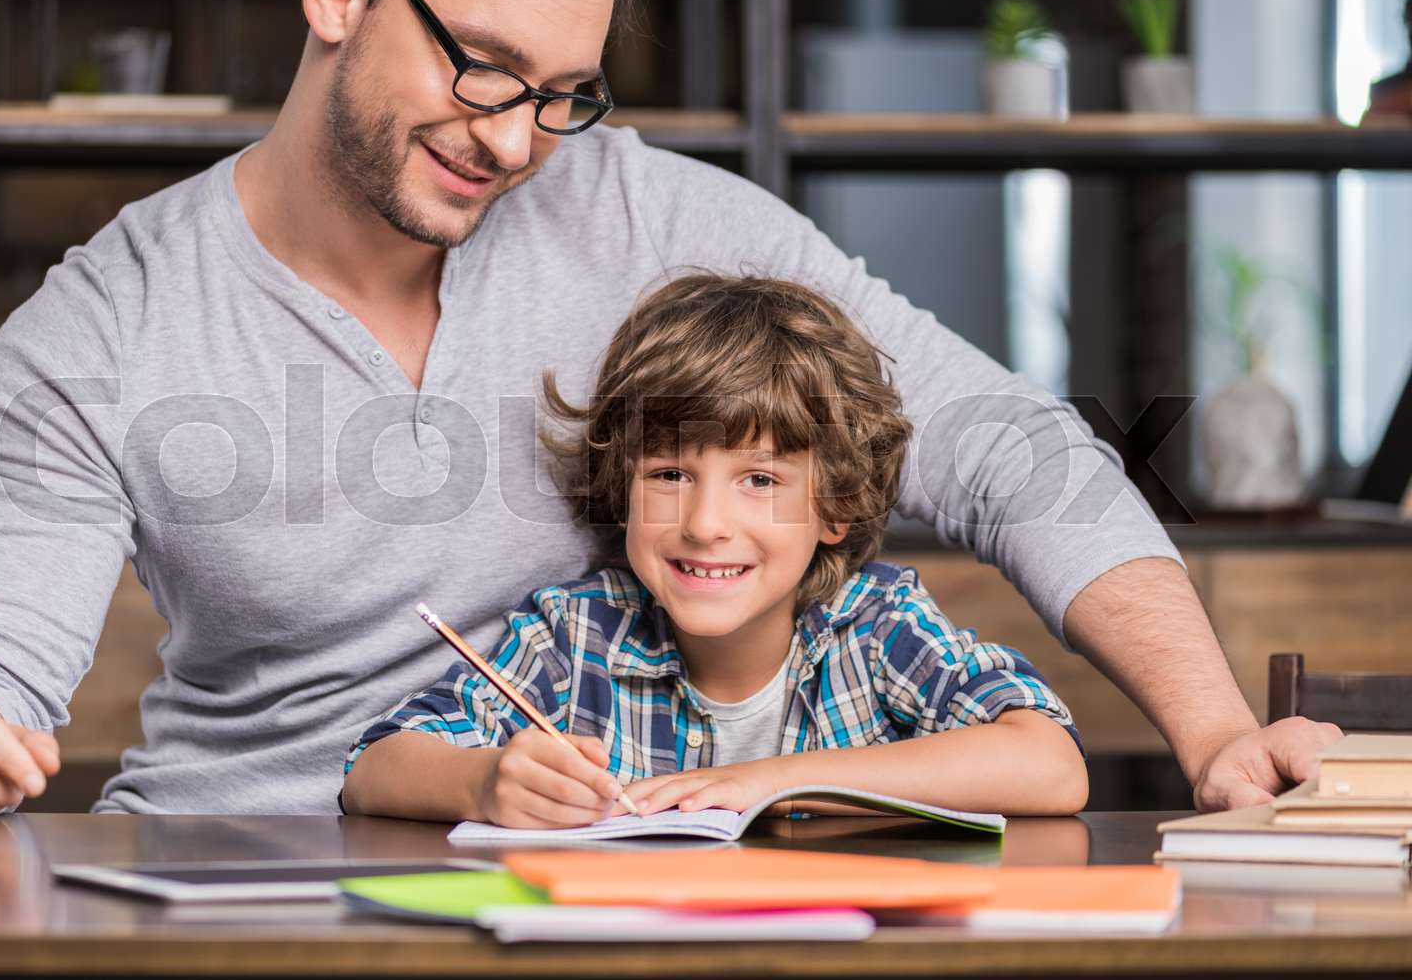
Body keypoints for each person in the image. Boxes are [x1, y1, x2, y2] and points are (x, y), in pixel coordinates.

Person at [0, 0, 1338, 845]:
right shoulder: (107, 315)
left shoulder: (650, 215)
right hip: (237, 879)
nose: (514, 140)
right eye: (482, 66)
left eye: (562, 93)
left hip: (579, 885)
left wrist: (1213, 730)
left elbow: (1010, 446)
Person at [340, 275, 1088, 826]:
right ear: (622, 487)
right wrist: (485, 783)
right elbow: (373, 767)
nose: (705, 523)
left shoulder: (875, 625)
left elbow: (1050, 763)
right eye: (669, 474)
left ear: (835, 505)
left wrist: (774, 781)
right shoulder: (575, 634)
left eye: (759, 480)